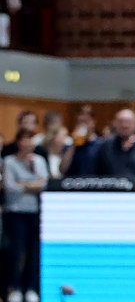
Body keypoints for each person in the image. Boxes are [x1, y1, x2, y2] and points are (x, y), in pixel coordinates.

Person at [4, 129, 47, 302]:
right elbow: (10, 187)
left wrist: (24, 183)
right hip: (15, 211)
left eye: (31, 140)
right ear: (18, 142)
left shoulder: (39, 161)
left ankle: (31, 288)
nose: (28, 144)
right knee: (16, 251)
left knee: (33, 251)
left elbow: (44, 183)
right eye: (25, 140)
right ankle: (15, 288)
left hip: (34, 211)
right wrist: (32, 185)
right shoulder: (9, 161)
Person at [93, 109, 135, 176]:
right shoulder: (105, 146)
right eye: (121, 122)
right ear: (115, 124)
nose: (125, 125)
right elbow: (96, 173)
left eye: (129, 122)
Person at [63, 106, 101, 176]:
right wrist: (74, 145)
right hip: (73, 181)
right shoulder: (69, 145)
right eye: (79, 122)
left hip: (93, 181)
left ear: (93, 122)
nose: (82, 125)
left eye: (85, 122)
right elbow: (62, 169)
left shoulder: (101, 145)